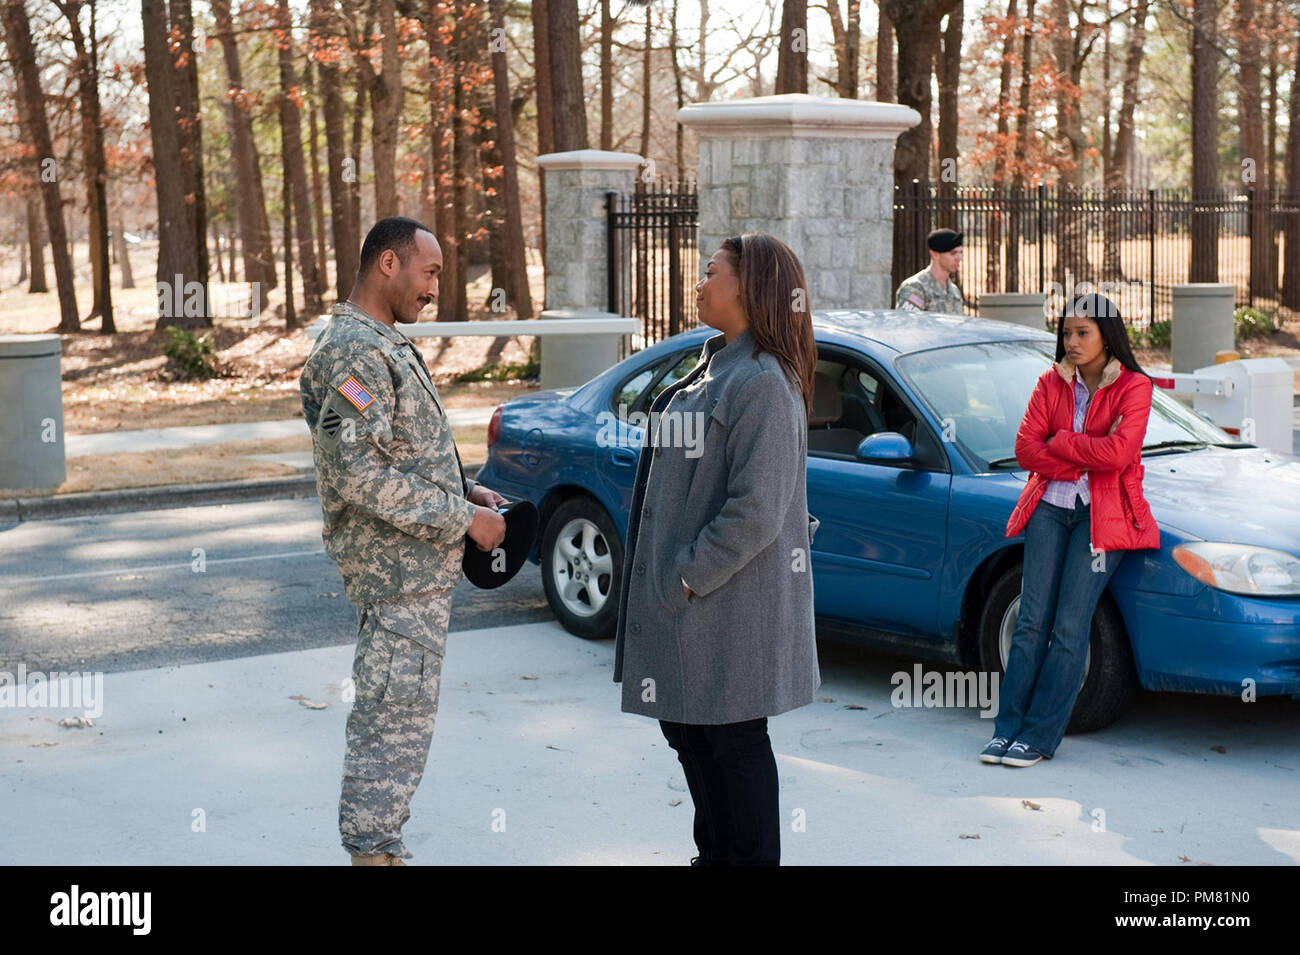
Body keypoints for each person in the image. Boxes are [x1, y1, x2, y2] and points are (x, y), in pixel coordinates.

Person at [300, 216, 507, 864]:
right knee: (388, 736)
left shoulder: (379, 343)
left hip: (412, 577)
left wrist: (464, 491)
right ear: (387, 263)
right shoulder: (355, 350)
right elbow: (356, 472)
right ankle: (373, 855)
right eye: (430, 271)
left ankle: (379, 849)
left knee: (402, 732)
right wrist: (463, 521)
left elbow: (394, 453)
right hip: (397, 582)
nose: (434, 288)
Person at [613, 232, 821, 865]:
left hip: (726, 602)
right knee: (688, 728)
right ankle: (717, 856)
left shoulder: (760, 380)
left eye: (710, 272)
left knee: (731, 739)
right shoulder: (717, 363)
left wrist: (687, 575)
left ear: (748, 288)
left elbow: (758, 506)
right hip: (698, 602)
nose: (699, 283)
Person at [983, 293, 1160, 767]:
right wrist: (1077, 456)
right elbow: (1025, 449)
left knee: (1068, 626)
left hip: (1100, 517)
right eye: (1066, 333)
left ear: (1107, 336)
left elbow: (1121, 455)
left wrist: (1060, 442)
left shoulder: (1134, 387)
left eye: (1083, 333)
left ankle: (1040, 737)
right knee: (1030, 623)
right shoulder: (1049, 383)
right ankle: (1006, 729)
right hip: (1050, 509)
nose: (1073, 342)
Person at [895, 228, 965, 314]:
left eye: (961, 252)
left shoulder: (954, 292)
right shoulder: (916, 288)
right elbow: (907, 323)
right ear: (935, 254)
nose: (959, 258)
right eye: (953, 253)